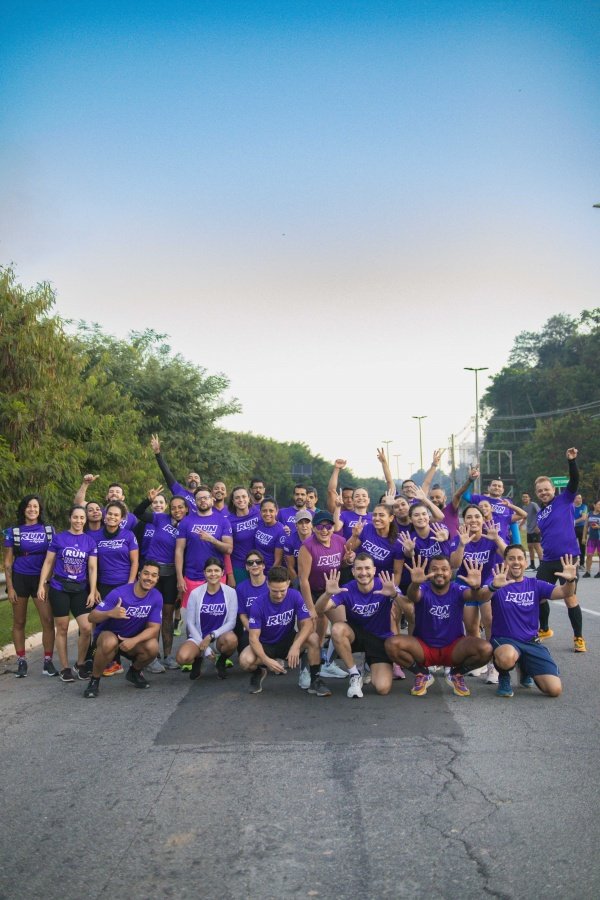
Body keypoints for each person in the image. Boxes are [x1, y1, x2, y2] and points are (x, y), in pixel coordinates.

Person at [385, 555, 491, 697]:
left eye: (444, 569)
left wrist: (475, 587)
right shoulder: (423, 588)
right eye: (434, 569)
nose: (440, 572)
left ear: (450, 572)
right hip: (424, 647)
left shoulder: (458, 589)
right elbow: (413, 596)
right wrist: (415, 583)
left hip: (453, 647)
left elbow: (477, 596)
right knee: (391, 644)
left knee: (486, 649)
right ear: (428, 572)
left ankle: (456, 674)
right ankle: (422, 674)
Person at [478, 546, 578, 698]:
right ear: (505, 562)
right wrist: (492, 587)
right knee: (507, 657)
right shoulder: (497, 582)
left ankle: (526, 666)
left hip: (531, 642)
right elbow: (481, 597)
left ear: (525, 562)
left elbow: (565, 592)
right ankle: (504, 676)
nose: (516, 562)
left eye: (520, 558)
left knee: (554, 690)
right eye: (511, 558)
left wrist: (570, 580)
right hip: (505, 641)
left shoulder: (535, 584)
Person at [315, 557, 399, 699]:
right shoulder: (347, 588)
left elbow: (409, 608)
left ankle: (367, 665)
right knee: (337, 629)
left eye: (367, 568)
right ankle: (354, 674)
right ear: (353, 572)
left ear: (374, 570)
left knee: (382, 688)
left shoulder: (385, 585)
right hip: (356, 635)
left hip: (380, 638)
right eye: (359, 568)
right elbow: (319, 609)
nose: (363, 572)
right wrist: (327, 593)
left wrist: (395, 595)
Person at [239, 566, 327, 696]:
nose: (279, 595)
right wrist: (266, 660)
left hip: (287, 640)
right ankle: (258, 672)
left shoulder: (295, 595)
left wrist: (296, 646)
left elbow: (307, 623)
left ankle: (315, 680)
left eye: (282, 590)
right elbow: (253, 638)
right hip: (265, 643)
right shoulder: (258, 604)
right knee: (245, 661)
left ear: (288, 584)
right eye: (275, 591)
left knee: (313, 638)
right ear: (268, 584)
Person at [83, 560, 163, 698]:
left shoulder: (156, 596)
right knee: (109, 642)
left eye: (153, 575)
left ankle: (134, 672)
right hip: (109, 635)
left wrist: (134, 640)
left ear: (157, 579)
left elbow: (154, 628)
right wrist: (110, 613)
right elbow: (92, 617)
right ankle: (94, 680)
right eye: (146, 573)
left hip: (131, 640)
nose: (149, 578)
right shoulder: (119, 593)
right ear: (139, 574)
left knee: (153, 647)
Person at [37, 506, 98, 682]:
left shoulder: (89, 541)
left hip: (80, 589)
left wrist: (92, 591)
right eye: (75, 517)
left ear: (85, 520)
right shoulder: (59, 538)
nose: (78, 521)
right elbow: (48, 563)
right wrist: (42, 585)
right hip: (60, 588)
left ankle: (79, 664)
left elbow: (93, 568)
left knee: (86, 628)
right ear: (70, 518)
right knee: (62, 628)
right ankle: (64, 668)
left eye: (82, 518)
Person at [133, 488, 190, 671]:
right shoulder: (160, 518)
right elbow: (138, 513)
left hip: (172, 574)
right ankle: (151, 657)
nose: (177, 510)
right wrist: (147, 500)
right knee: (151, 615)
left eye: (180, 507)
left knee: (167, 616)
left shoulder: (189, 525)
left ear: (187, 509)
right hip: (153, 572)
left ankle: (167, 655)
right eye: (173, 507)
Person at [535, 448, 586, 651]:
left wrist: (571, 461)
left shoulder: (564, 499)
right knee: (537, 595)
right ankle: (545, 629)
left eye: (546, 489)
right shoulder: (540, 514)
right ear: (537, 493)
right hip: (547, 560)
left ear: (553, 489)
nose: (544, 492)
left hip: (567, 560)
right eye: (540, 491)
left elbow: (574, 481)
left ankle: (579, 638)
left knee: (569, 597)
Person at [450, 506, 507, 684]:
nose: (473, 520)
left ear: (483, 519)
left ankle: (493, 666)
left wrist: (497, 539)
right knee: (471, 626)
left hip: (486, 583)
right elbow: (454, 564)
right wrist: (462, 544)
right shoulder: (459, 538)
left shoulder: (490, 537)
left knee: (489, 622)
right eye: (469, 517)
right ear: (463, 520)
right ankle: (478, 661)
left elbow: (509, 554)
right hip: (465, 584)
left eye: (477, 517)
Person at [3, 495, 57, 677]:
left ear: (40, 509)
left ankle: (48, 661)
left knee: (48, 621)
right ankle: (21, 661)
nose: (32, 509)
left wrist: (48, 581)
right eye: (28, 506)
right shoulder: (13, 531)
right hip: (20, 579)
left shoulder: (49, 530)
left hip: (41, 580)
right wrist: (10, 587)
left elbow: (54, 557)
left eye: (35, 506)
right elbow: (8, 562)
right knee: (19, 621)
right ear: (23, 509)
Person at [297, 509, 350, 679]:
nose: (324, 530)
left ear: (333, 528)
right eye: (320, 526)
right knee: (311, 632)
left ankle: (327, 662)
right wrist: (311, 608)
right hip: (311, 591)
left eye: (328, 526)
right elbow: (303, 580)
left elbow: (343, 563)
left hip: (330, 592)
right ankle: (305, 671)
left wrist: (348, 560)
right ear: (313, 528)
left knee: (342, 626)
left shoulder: (340, 541)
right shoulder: (307, 547)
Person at [175, 486, 233, 627]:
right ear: (195, 502)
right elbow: (179, 550)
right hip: (192, 576)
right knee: (194, 618)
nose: (203, 501)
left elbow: (229, 549)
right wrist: (179, 577)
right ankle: (195, 645)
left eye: (206, 497)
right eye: (199, 498)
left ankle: (214, 645)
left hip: (216, 576)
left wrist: (212, 539)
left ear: (212, 499)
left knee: (217, 614)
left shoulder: (222, 521)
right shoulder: (186, 522)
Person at [176, 557, 238, 680]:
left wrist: (211, 636)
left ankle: (221, 662)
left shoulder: (230, 592)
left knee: (231, 640)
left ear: (222, 573)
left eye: (216, 570)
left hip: (218, 637)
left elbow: (231, 622)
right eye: (209, 571)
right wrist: (205, 647)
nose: (213, 574)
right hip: (198, 637)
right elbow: (190, 623)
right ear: (204, 573)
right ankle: (197, 660)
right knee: (182, 658)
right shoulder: (195, 593)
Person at [423, 453, 480, 538]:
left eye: (438, 497)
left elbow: (457, 495)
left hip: (455, 548)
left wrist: (470, 480)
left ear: (445, 498)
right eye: (432, 498)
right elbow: (426, 484)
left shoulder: (451, 509)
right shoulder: (428, 518)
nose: (434, 499)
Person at [344, 504, 403, 583]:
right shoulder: (368, 528)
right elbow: (348, 549)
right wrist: (354, 536)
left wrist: (392, 591)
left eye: (381, 515)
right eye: (374, 515)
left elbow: (397, 573)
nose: (377, 518)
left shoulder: (398, 542)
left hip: (382, 583)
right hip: (360, 577)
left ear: (391, 518)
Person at [467, 478, 527, 544]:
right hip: (483, 542)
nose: (497, 488)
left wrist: (517, 543)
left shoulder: (507, 503)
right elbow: (465, 495)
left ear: (503, 490)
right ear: (489, 488)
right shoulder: (480, 499)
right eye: (494, 485)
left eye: (499, 486)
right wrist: (470, 480)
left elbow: (513, 523)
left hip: (502, 541)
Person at [150, 433, 201, 511]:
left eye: (196, 477)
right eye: (190, 477)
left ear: (200, 482)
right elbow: (167, 473)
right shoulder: (179, 491)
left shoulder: (204, 497)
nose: (193, 479)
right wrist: (157, 453)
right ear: (186, 481)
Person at [235, 551, 270, 653]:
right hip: (253, 629)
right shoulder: (241, 588)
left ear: (263, 566)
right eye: (250, 563)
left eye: (258, 562)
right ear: (247, 567)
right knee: (243, 654)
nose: (254, 565)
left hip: (272, 628)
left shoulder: (271, 584)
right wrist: (253, 632)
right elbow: (243, 615)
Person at [227, 486, 260, 584]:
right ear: (233, 501)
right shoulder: (228, 521)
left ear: (249, 498)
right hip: (239, 566)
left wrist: (285, 529)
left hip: (260, 565)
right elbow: (226, 551)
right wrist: (230, 575)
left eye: (243, 496)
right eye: (237, 498)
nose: (241, 500)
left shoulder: (259, 514)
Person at [253, 498, 286, 570]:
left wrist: (270, 577)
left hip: (271, 572)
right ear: (260, 512)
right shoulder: (259, 524)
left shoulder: (281, 530)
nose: (267, 514)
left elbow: (278, 560)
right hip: (257, 569)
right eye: (264, 511)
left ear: (276, 512)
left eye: (271, 511)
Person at [284, 509, 313, 581]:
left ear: (312, 524)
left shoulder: (318, 537)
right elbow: (290, 567)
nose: (304, 525)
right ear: (296, 525)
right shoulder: (289, 541)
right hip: (298, 574)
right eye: (300, 523)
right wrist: (297, 583)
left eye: (307, 522)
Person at [521, 492, 542, 570]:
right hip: (529, 530)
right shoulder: (524, 507)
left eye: (526, 497)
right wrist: (520, 525)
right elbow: (525, 517)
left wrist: (538, 526)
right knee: (529, 547)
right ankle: (532, 564)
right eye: (523, 497)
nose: (525, 498)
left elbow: (540, 514)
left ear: (529, 498)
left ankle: (541, 565)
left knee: (537, 547)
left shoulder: (533, 505)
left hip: (535, 529)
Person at [583, 500, 600, 577]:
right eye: (599, 504)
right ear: (594, 505)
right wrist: (584, 537)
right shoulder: (589, 514)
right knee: (589, 555)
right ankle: (588, 572)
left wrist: (598, 527)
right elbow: (586, 526)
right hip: (591, 539)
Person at [573, 493, 588, 562]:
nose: (579, 499)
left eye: (580, 498)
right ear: (574, 499)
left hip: (582, 528)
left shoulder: (584, 506)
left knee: (582, 545)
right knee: (572, 545)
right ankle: (573, 561)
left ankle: (582, 563)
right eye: (578, 498)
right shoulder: (570, 506)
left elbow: (583, 517)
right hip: (572, 529)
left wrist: (574, 521)